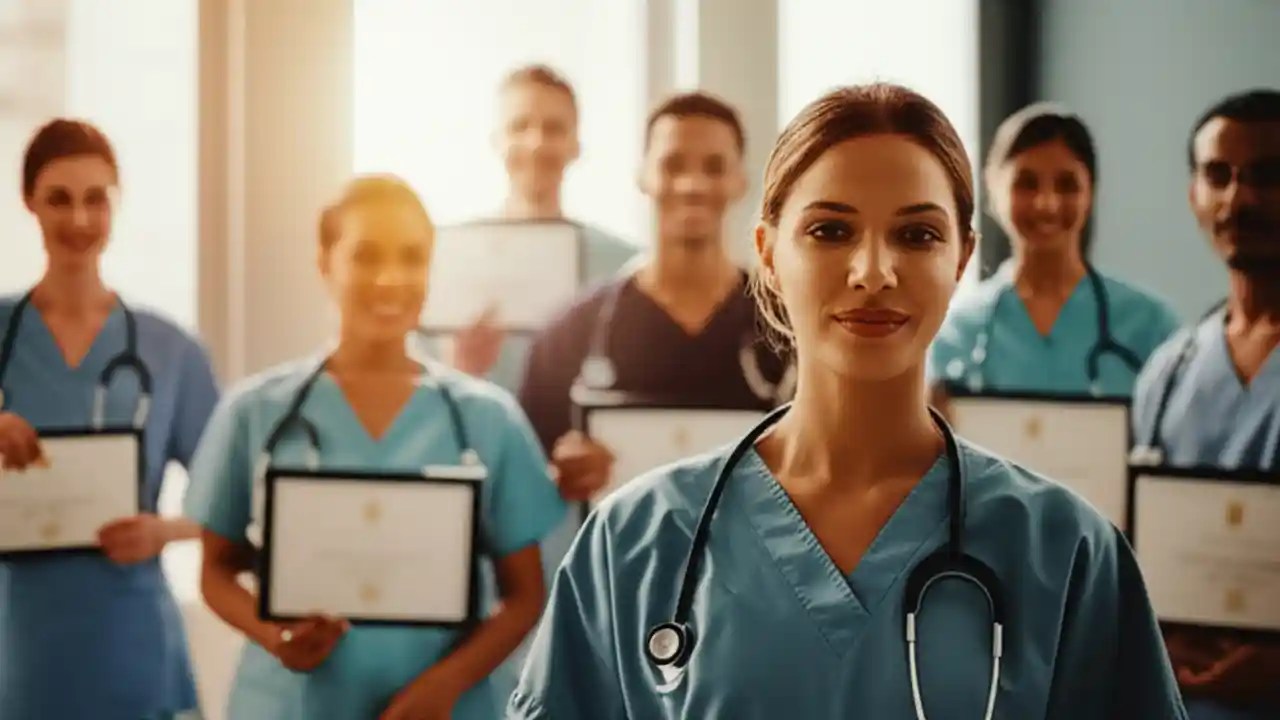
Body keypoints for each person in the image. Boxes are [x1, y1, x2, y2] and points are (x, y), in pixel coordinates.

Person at [509, 83, 1186, 719]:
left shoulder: (1065, 552)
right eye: (830, 231)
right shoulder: (635, 541)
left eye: (917, 235)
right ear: (768, 253)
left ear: (961, 258)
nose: (873, 272)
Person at [184, 176, 566, 719]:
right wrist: (275, 637)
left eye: (413, 258)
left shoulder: (487, 418)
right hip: (293, 704)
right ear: (325, 262)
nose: (391, 279)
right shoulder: (256, 411)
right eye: (365, 256)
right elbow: (215, 571)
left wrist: (446, 685)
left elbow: (525, 595)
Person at [0, 119, 220, 718]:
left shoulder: (169, 349)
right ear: (29, 204)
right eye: (59, 200)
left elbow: (238, 503)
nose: (78, 221)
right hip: (17, 642)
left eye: (96, 199)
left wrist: (164, 532)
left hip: (132, 641)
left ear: (116, 204)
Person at [1131, 88, 1280, 720]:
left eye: (1269, 177)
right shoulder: (1167, 372)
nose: (1239, 198)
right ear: (1194, 193)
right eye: (1218, 174)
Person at [928, 103, 1181, 398]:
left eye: (1067, 185)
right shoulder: (959, 331)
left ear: (1091, 193)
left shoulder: (1150, 325)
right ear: (993, 191)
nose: (1047, 204)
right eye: (1027, 184)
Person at [444, 64, 638, 392]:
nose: (536, 143)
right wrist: (458, 369)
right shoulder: (450, 259)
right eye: (519, 126)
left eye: (554, 128)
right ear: (496, 141)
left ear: (576, 145)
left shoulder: (623, 268)